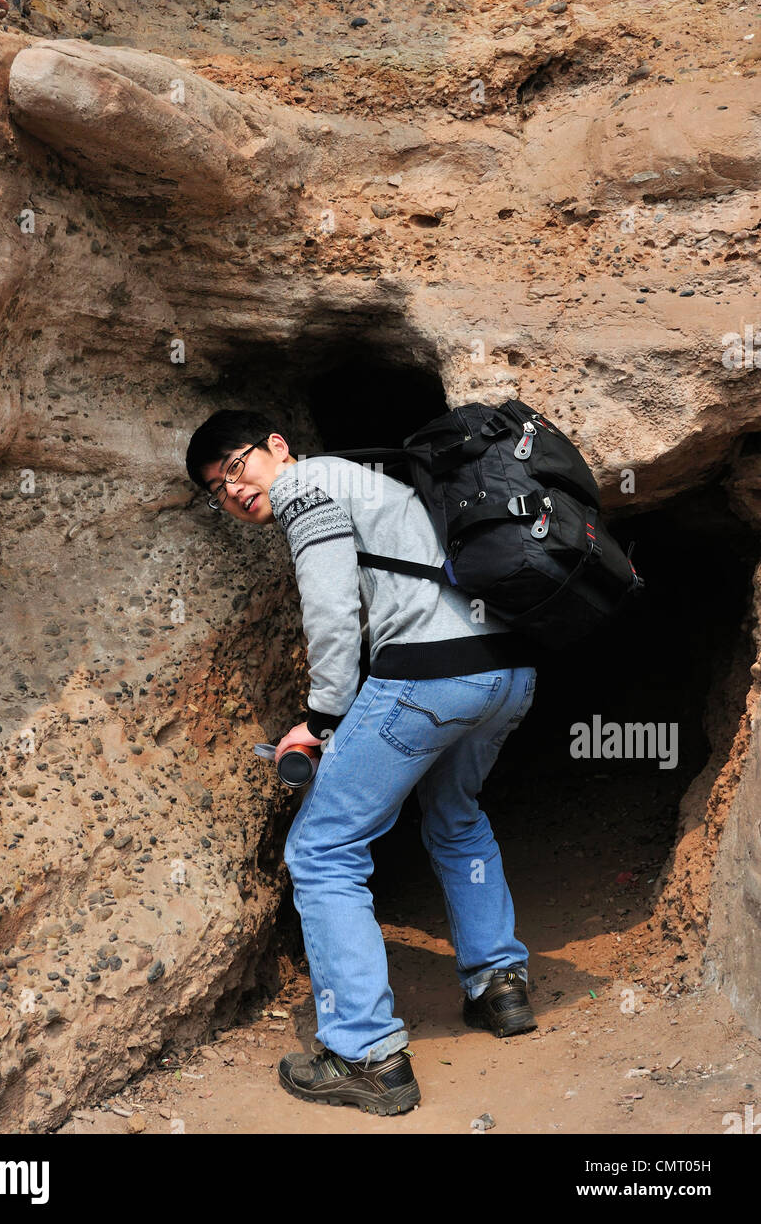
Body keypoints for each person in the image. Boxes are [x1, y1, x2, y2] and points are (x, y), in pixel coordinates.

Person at [186, 409, 540, 1116]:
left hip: (429, 679)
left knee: (322, 850)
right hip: (506, 674)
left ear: (276, 449)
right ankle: (499, 985)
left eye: (235, 467)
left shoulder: (305, 487)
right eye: (214, 491)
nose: (232, 492)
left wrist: (319, 720)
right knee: (455, 816)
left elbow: (330, 610)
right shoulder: (378, 484)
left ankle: (365, 1053)